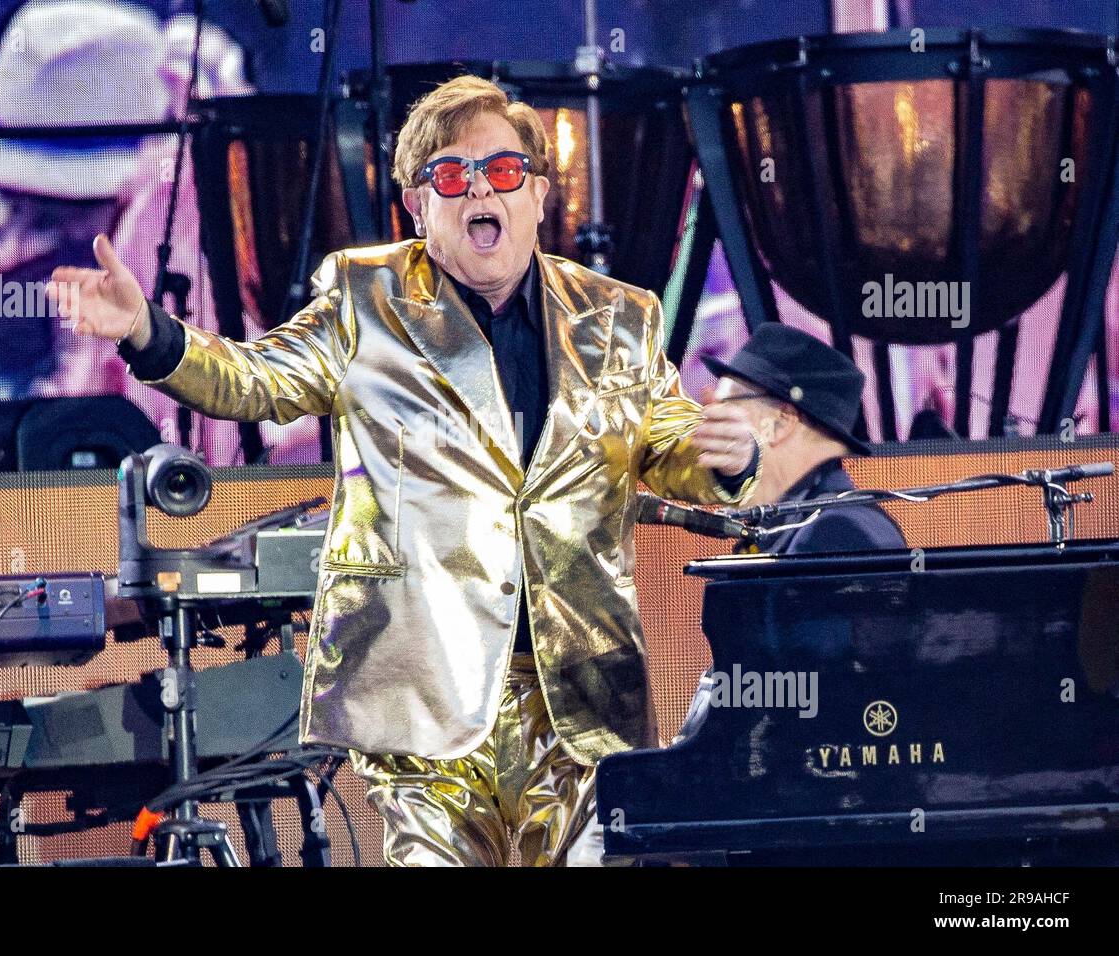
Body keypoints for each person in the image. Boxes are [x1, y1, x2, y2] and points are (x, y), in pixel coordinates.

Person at [48, 75, 761, 866]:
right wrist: (148, 332)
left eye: (502, 170)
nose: (478, 190)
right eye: (450, 176)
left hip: (581, 699)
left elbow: (668, 445)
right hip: (426, 691)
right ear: (417, 207)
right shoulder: (366, 298)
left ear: (537, 192)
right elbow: (254, 380)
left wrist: (727, 458)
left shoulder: (620, 316)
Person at [702, 323, 904, 554]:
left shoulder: (838, 531)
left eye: (725, 404)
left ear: (781, 422)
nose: (708, 417)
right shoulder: (780, 527)